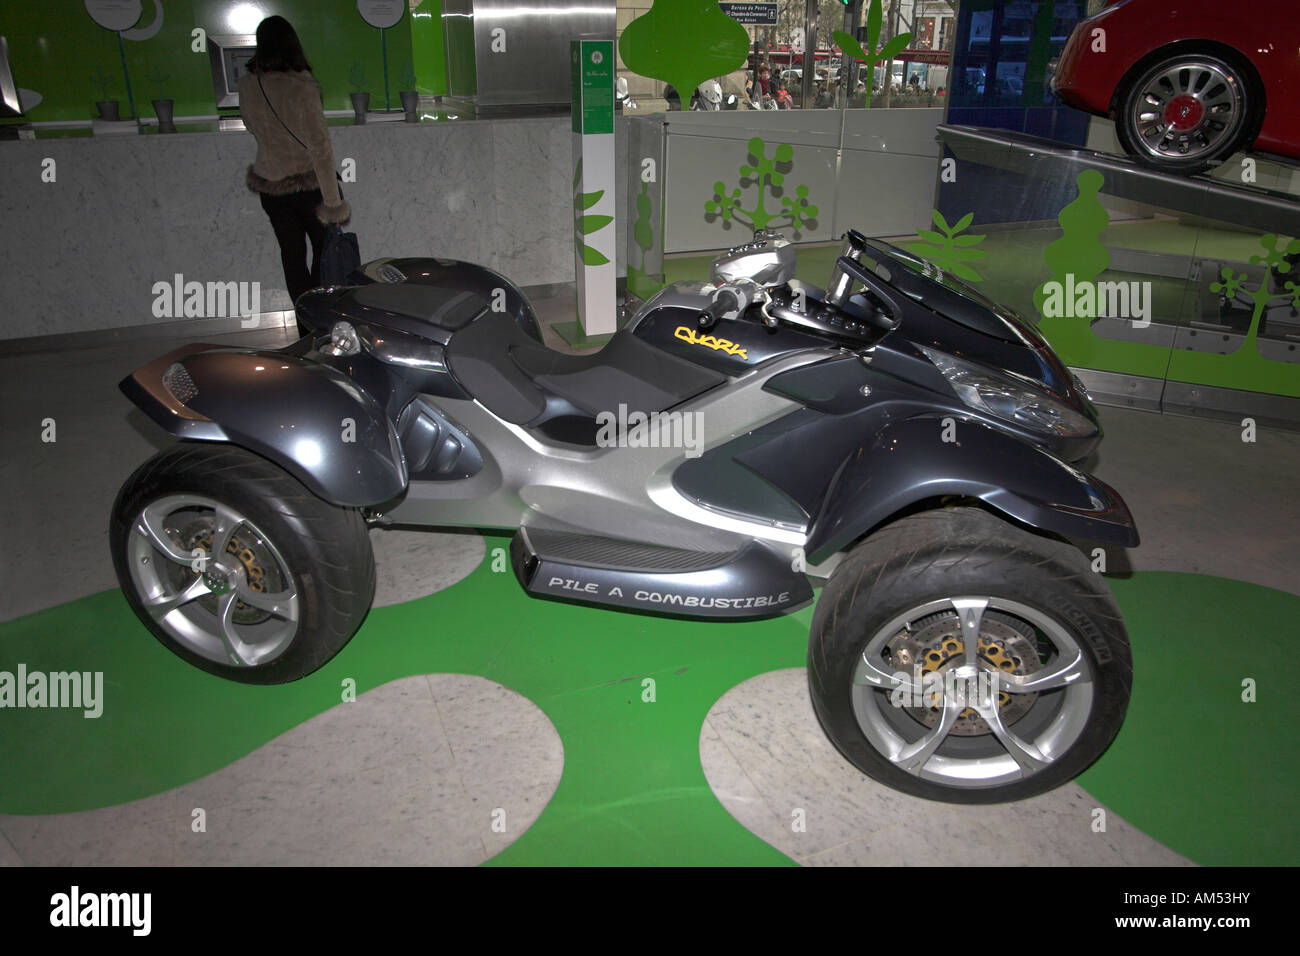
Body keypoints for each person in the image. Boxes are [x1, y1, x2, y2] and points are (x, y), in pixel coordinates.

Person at [238, 16, 350, 334]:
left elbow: (251, 126)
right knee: (325, 255)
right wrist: (332, 202)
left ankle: (305, 328)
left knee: (292, 256)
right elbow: (320, 147)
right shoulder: (303, 86)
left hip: (270, 186)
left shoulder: (248, 85)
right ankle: (322, 321)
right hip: (307, 185)